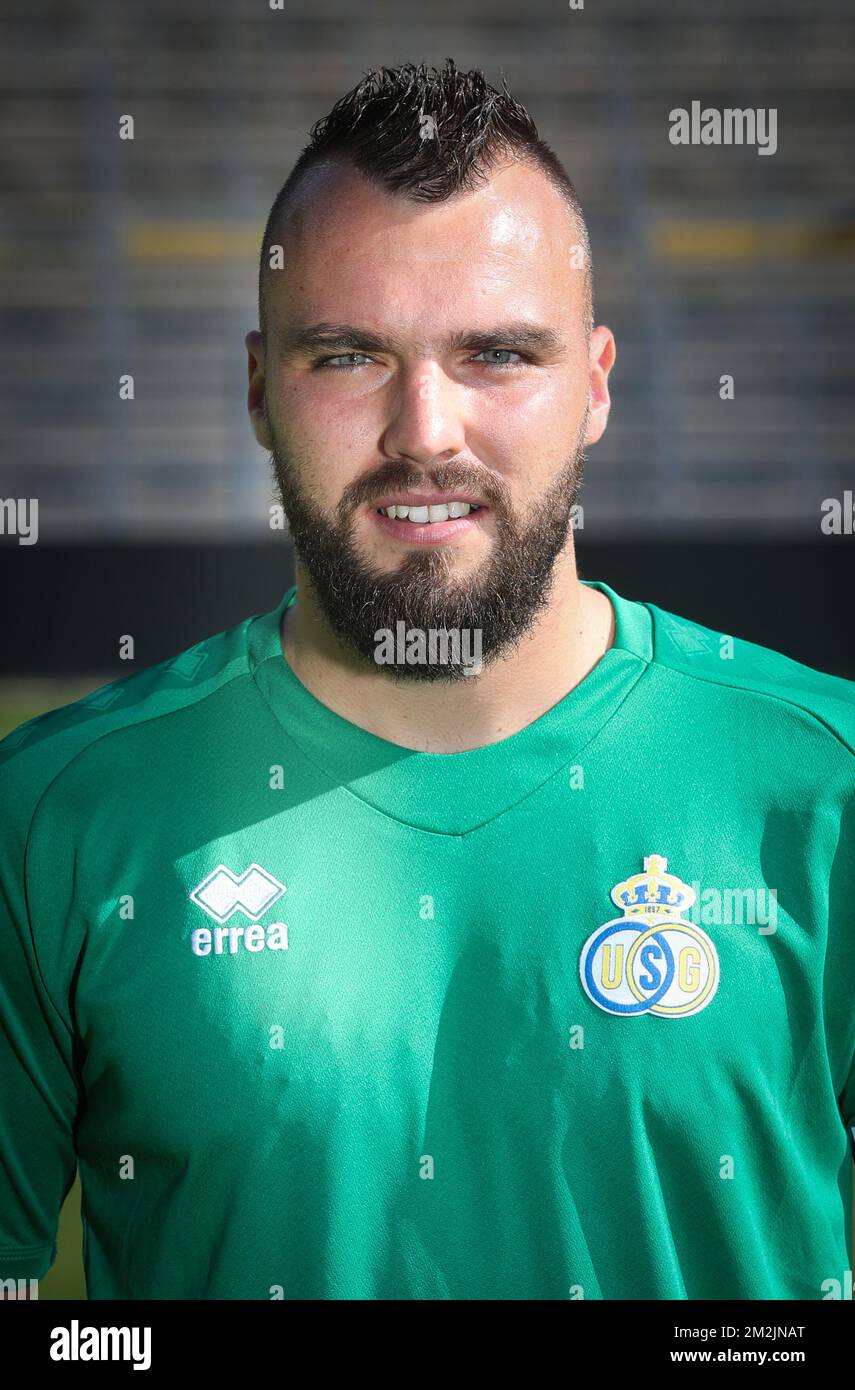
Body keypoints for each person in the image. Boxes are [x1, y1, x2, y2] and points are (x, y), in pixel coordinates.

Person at [1, 59, 852, 1302]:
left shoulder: (823, 784)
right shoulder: (51, 819)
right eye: (348, 357)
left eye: (498, 354)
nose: (426, 428)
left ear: (599, 386)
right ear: (257, 389)